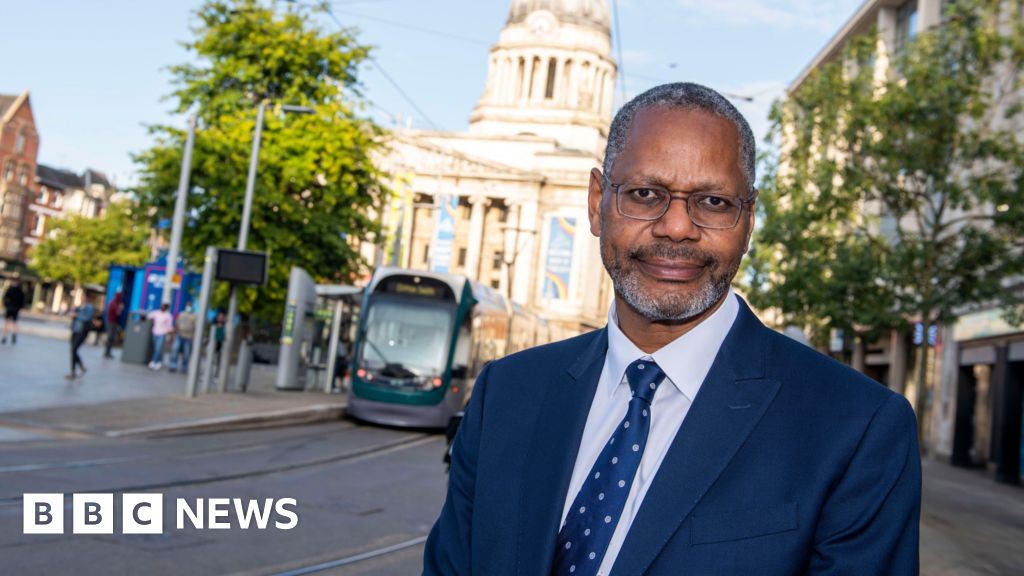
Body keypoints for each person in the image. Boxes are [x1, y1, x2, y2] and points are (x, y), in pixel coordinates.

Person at [424, 83, 921, 575]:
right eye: (645, 194)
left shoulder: (859, 428)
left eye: (713, 202)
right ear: (598, 202)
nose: (677, 227)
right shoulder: (506, 393)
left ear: (748, 221)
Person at [66, 301, 98, 379]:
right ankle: (81, 367)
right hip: (75, 330)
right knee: (73, 350)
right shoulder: (78, 307)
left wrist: (76, 315)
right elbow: (71, 313)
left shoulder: (89, 308)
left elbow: (87, 318)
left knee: (74, 350)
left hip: (82, 332)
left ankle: (73, 371)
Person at [168, 302, 197, 373]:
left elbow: (195, 327)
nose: (188, 307)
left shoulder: (194, 316)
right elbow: (177, 324)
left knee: (186, 353)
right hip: (179, 335)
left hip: (188, 337)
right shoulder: (181, 314)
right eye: (188, 306)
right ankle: (173, 365)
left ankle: (185, 366)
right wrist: (173, 334)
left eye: (190, 306)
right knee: (175, 350)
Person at [146, 303, 174, 370]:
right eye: (162, 306)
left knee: (158, 348)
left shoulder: (168, 316)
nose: (162, 307)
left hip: (162, 333)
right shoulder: (156, 313)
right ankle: (159, 361)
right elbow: (148, 316)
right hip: (155, 332)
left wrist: (170, 333)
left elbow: (169, 326)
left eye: (164, 306)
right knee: (156, 348)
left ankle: (153, 362)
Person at [1, 280, 26, 345]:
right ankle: (13, 335)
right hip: (15, 309)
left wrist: (7, 306)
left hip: (10, 309)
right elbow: (22, 302)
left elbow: (5, 299)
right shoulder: (20, 291)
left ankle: (5, 336)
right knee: (13, 323)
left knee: (7, 323)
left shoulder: (10, 290)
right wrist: (18, 308)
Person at [103, 292, 125, 358]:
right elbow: (117, 313)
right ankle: (107, 353)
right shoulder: (115, 304)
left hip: (111, 322)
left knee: (111, 338)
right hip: (112, 323)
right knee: (111, 338)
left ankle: (107, 352)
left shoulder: (113, 303)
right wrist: (121, 308)